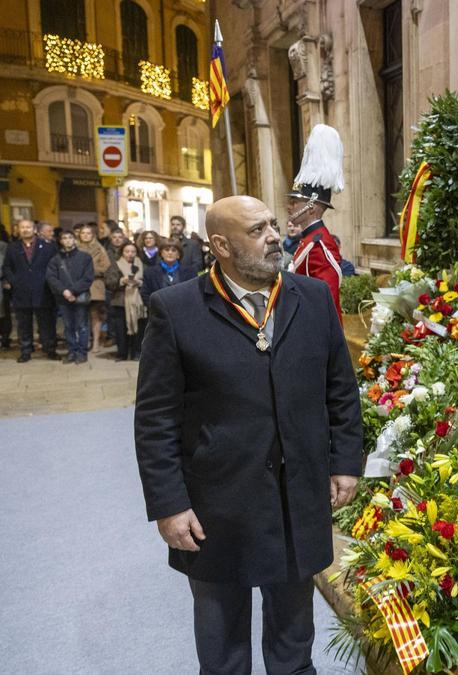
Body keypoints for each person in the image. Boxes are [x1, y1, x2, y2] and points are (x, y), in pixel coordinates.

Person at [135, 195, 362, 674]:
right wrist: (169, 505)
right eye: (257, 230)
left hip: (294, 497)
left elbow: (340, 389)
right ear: (221, 245)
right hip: (219, 504)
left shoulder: (312, 298)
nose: (275, 236)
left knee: (293, 640)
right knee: (223, 649)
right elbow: (155, 419)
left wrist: (344, 462)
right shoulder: (176, 310)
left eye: (273, 225)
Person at [286, 124, 346, 312]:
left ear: (311, 206)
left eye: (295, 202)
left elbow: (327, 304)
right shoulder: (309, 240)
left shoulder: (320, 246)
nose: (290, 207)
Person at [2, 219, 58, 362]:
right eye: (22, 227)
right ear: (18, 230)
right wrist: (14, 281)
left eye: (28, 227)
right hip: (21, 291)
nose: (25, 230)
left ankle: (49, 348)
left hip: (43, 289)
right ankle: (25, 350)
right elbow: (7, 267)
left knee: (46, 322)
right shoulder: (12, 247)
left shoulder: (48, 247)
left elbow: (54, 266)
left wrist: (50, 281)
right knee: (24, 323)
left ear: (34, 230)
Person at [45, 229, 94, 364]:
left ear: (75, 239)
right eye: (64, 238)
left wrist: (72, 291)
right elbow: (51, 277)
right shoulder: (55, 259)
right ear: (60, 241)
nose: (67, 240)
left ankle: (82, 352)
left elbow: (88, 277)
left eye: (70, 238)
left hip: (80, 296)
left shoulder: (85, 257)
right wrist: (64, 291)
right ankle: (72, 352)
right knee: (68, 326)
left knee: (82, 326)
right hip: (63, 297)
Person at [105, 241, 146, 360]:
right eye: (127, 251)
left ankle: (137, 352)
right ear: (122, 252)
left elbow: (148, 280)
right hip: (120, 301)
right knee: (121, 329)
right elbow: (109, 282)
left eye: (133, 251)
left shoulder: (141, 264)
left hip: (139, 302)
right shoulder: (115, 265)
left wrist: (140, 283)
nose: (130, 254)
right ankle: (122, 353)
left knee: (139, 329)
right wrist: (121, 281)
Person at [77, 223, 111, 352]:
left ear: (93, 235)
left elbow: (106, 266)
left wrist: (90, 270)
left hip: (95, 285)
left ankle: (96, 341)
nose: (85, 236)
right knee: (80, 315)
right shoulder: (74, 247)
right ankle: (83, 340)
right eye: (83, 233)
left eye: (88, 233)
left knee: (95, 314)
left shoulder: (99, 248)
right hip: (78, 285)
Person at [0, 221, 10, 350]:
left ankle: (5, 337)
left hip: (1, 284)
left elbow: (7, 266)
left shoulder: (3, 247)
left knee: (3, 313)